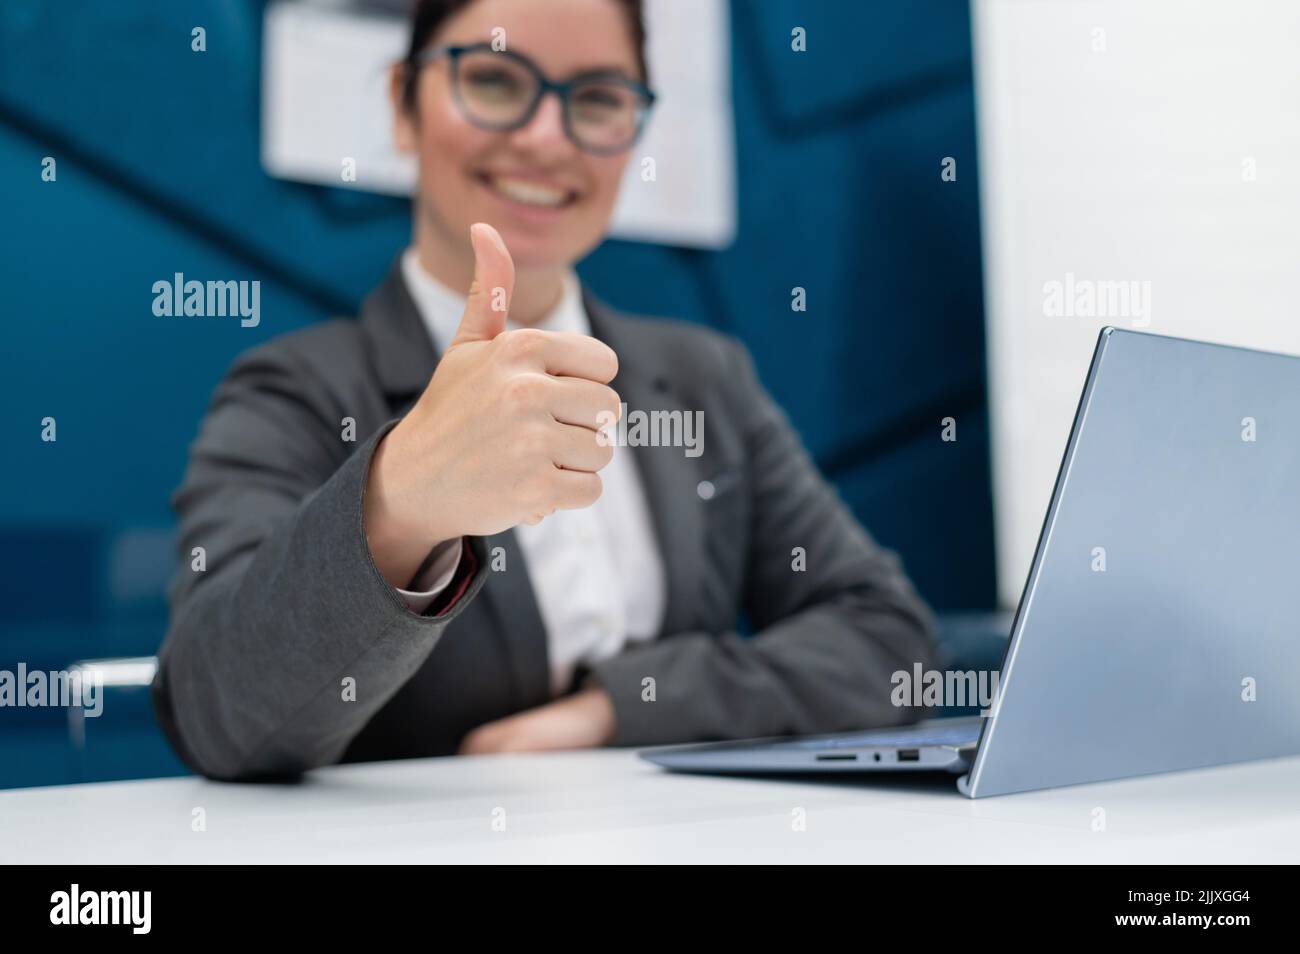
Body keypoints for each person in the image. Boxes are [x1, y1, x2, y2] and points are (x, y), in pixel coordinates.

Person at [151, 0, 937, 780]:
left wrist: (616, 710)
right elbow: (216, 713)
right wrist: (398, 501)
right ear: (402, 102)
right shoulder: (296, 392)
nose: (546, 138)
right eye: (494, 81)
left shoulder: (704, 381)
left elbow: (887, 640)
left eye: (597, 99)